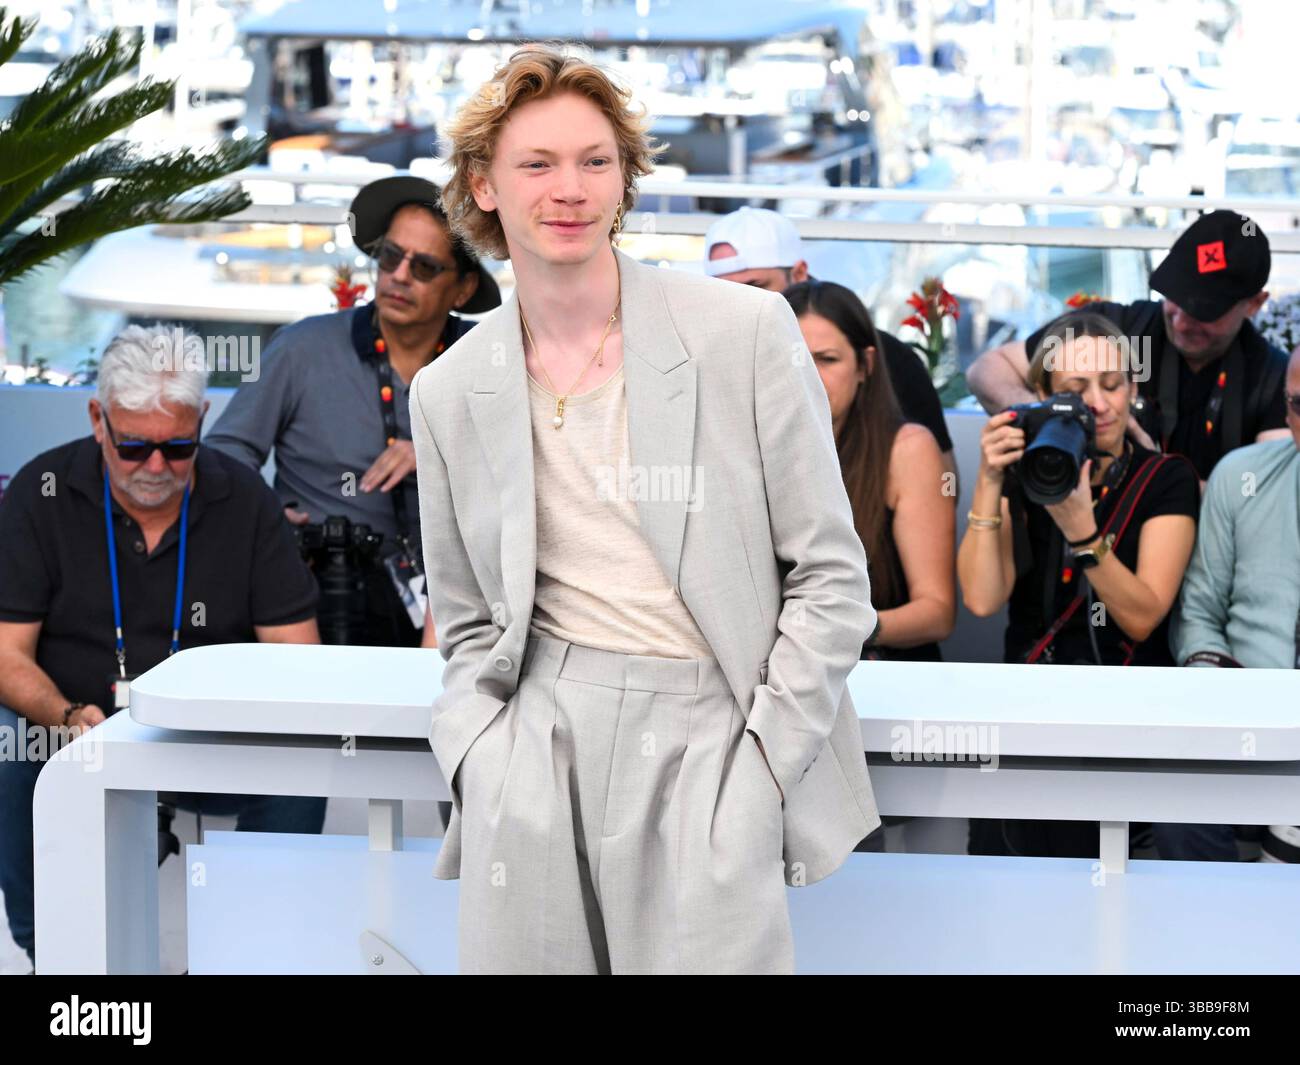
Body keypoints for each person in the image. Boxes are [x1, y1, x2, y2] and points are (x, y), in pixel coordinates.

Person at [414, 45, 879, 974]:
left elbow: (831, 577)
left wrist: (758, 771)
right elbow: (464, 619)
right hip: (536, 747)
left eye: (595, 160)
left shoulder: (742, 333)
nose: (570, 189)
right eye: (536, 164)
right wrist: (483, 757)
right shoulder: (450, 389)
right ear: (485, 187)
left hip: (711, 734)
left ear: (625, 177)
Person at [0, 325, 325, 967]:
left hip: (212, 743)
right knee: (8, 752)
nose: (156, 467)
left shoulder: (243, 498)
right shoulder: (43, 491)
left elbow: (299, 659)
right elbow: (8, 653)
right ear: (98, 419)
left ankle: (246, 956)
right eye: (135, 447)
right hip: (75, 731)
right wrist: (65, 719)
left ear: (203, 419)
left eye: (179, 447)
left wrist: (236, 726)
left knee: (302, 771)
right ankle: (53, 955)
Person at [206, 176, 502, 650]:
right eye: (389, 256)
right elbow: (224, 451)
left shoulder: (490, 357)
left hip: (452, 597)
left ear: (463, 290)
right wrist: (272, 519)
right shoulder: (303, 347)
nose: (399, 275)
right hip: (317, 587)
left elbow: (533, 461)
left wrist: (437, 452)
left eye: (424, 267)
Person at [957, 311, 1200, 859]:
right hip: (1025, 719)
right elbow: (981, 597)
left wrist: (1081, 531)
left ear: (1132, 387)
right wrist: (990, 482)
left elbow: (1142, 615)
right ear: (1041, 396)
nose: (1098, 404)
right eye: (1074, 390)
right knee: (1008, 895)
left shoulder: (1166, 478)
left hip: (1128, 724)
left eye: (1113, 385)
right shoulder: (1026, 471)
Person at [966, 210, 1291, 484]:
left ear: (1254, 304)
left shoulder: (1272, 379)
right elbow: (987, 371)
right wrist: (1048, 422)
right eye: (1175, 299)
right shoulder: (1112, 328)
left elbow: (1260, 506)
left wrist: (1151, 475)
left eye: (1204, 311)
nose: (1180, 322)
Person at [703, 206, 956, 478]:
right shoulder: (715, 359)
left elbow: (942, 481)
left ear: (799, 274)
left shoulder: (891, 358)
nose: (741, 305)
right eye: (722, 293)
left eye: (756, 288)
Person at [1170, 344, 1300, 862]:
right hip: (1248, 708)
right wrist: (1218, 695)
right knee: (1176, 807)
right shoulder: (1239, 477)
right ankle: (1212, 937)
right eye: (1299, 404)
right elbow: (1199, 614)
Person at [783, 280, 956, 662]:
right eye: (795, 359)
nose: (810, 376)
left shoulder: (907, 450)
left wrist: (847, 629)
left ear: (866, 365)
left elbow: (937, 613)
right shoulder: (747, 445)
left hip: (884, 682)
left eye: (827, 359)